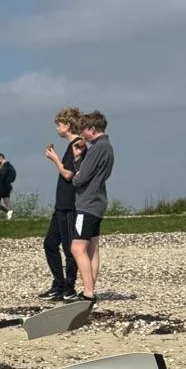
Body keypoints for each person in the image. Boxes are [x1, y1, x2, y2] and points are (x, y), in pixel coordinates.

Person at [70, 112, 115, 303]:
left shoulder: (97, 148)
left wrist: (78, 159)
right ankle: (90, 288)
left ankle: (88, 292)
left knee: (77, 248)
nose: (82, 135)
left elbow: (80, 178)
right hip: (98, 202)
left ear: (92, 129)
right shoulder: (108, 147)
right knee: (93, 248)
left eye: (83, 131)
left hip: (87, 203)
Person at [42, 109, 83, 300]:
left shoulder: (78, 145)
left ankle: (69, 287)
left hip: (70, 205)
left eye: (59, 124)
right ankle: (59, 283)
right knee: (50, 243)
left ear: (67, 125)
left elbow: (69, 174)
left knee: (69, 247)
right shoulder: (70, 146)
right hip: (61, 204)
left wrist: (55, 159)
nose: (57, 128)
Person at [0, 154, 17, 220]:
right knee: (3, 201)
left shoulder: (5, 167)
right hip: (6, 187)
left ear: (1, 158)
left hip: (1, 187)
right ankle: (9, 211)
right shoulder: (9, 166)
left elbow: (1, 177)